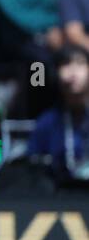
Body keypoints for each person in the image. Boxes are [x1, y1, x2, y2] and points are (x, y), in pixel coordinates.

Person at [27, 44, 89, 181]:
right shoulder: (47, 122)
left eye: (80, 63)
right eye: (66, 64)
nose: (73, 72)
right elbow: (33, 166)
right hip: (58, 196)